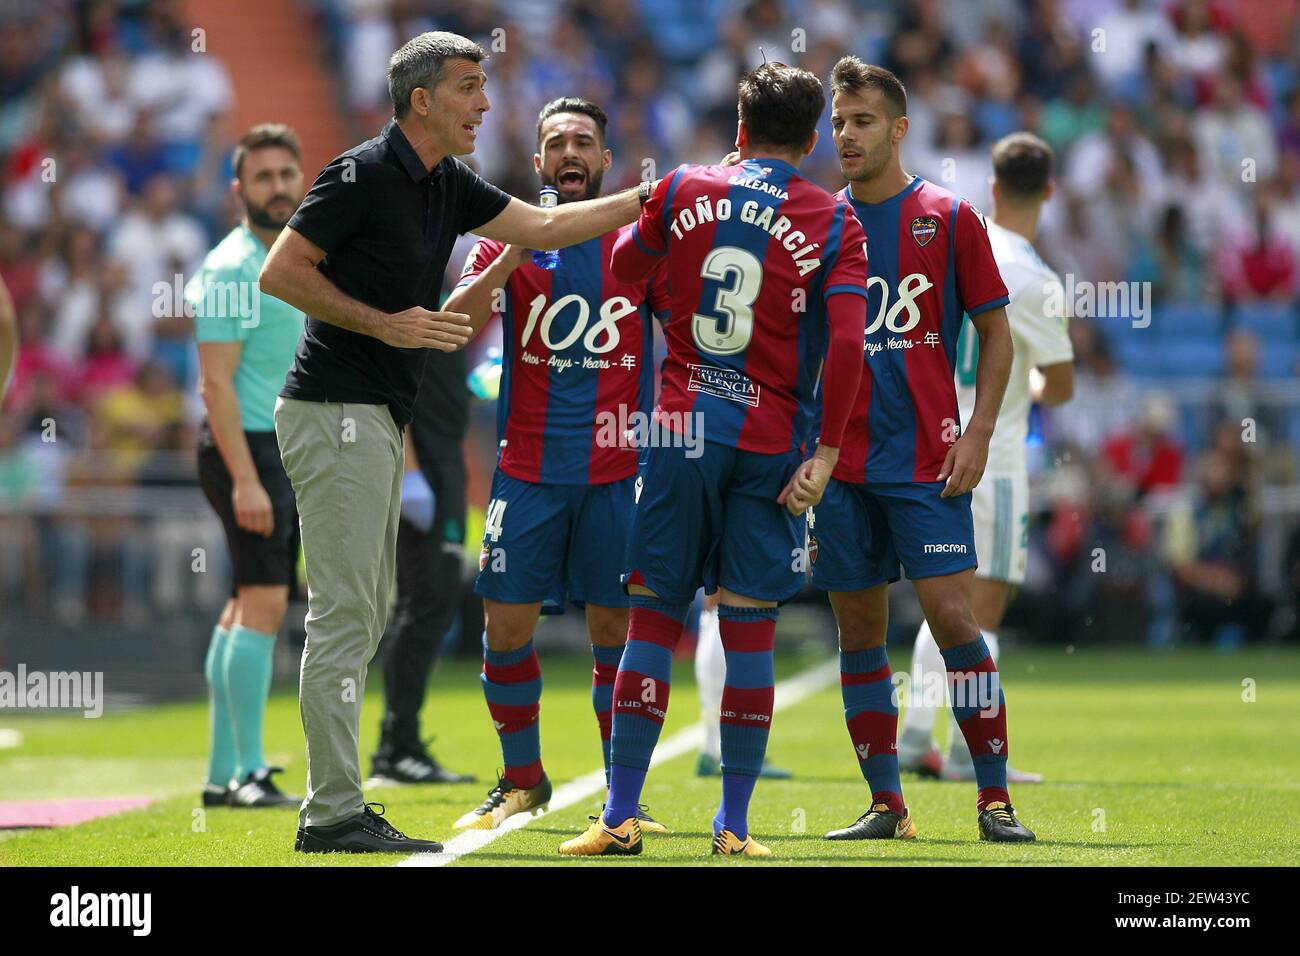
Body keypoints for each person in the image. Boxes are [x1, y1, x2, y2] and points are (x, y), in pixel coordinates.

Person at [259, 32, 655, 855]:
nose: (485, 102)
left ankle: (342, 800)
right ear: (423, 101)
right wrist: (385, 323)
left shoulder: (447, 180)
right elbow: (280, 272)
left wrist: (656, 198)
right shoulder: (363, 172)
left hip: (369, 413)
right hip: (335, 407)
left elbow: (543, 227)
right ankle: (332, 812)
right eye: (471, 87)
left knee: (361, 615)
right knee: (344, 618)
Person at [558, 61, 868, 858]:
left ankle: (621, 815)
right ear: (811, 140)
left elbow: (622, 272)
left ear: (738, 129)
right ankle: (732, 827)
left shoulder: (684, 188)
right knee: (750, 628)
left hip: (680, 429)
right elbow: (843, 344)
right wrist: (828, 450)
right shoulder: (836, 222)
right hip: (770, 444)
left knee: (655, 619)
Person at [809, 58, 1033, 843]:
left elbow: (998, 335)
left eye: (862, 121)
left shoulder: (948, 215)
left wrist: (976, 432)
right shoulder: (816, 223)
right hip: (839, 465)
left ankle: (994, 800)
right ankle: (886, 805)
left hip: (927, 463)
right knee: (860, 631)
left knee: (951, 618)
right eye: (838, 122)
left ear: (899, 129)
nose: (846, 135)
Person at [443, 96, 671, 831]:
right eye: (554, 143)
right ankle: (522, 780)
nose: (569, 153)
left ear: (606, 161)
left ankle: (620, 801)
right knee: (504, 627)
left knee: (616, 633)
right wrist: (511, 250)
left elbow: (697, 329)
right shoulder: (504, 235)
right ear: (538, 161)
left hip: (616, 474)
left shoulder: (639, 243)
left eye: (582, 142)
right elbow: (457, 324)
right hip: (528, 470)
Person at [898, 131, 1074, 784]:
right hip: (994, 456)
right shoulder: (1032, 275)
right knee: (983, 611)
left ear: (994, 187)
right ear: (1048, 192)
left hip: (936, 445)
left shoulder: (955, 242)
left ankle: (916, 737)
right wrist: (1027, 381)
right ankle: (973, 755)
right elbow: (1058, 385)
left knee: (946, 601)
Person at [190, 124, 307, 809]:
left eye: (286, 174)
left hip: (274, 447)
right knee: (262, 604)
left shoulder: (294, 257)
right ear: (239, 189)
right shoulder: (232, 267)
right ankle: (247, 774)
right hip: (250, 449)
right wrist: (245, 479)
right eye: (262, 177)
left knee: (244, 605)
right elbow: (214, 387)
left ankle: (222, 773)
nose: (277, 188)